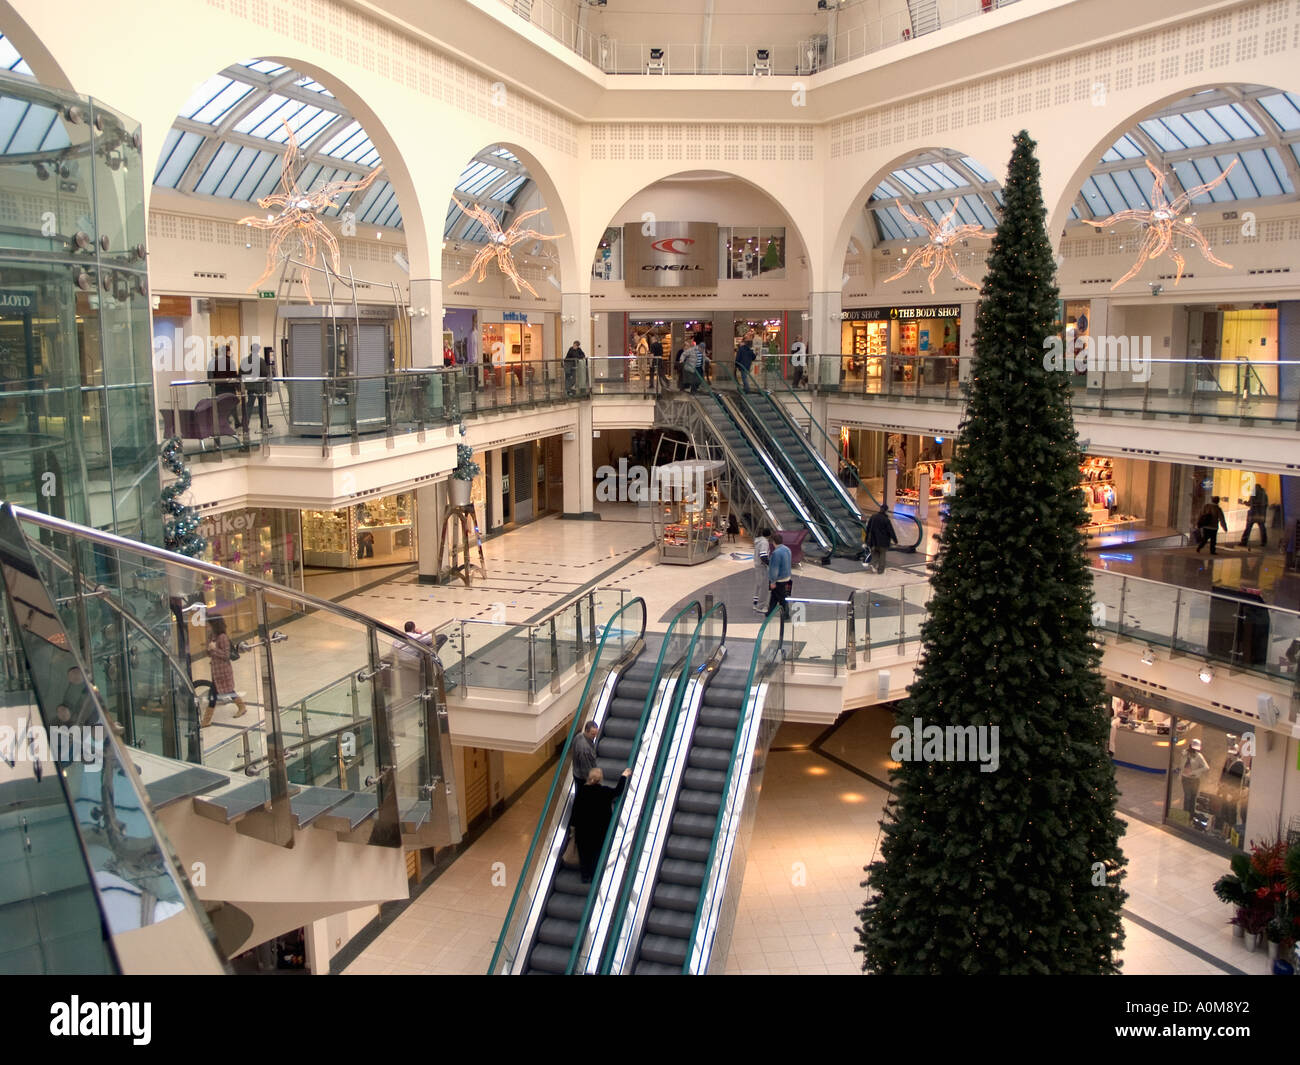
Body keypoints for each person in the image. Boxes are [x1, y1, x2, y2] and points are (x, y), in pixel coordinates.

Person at [572, 766, 632, 882]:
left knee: (584, 854)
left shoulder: (581, 791)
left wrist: (573, 826)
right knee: (595, 854)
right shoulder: (604, 791)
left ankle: (585, 876)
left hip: (582, 831)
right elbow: (617, 791)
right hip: (599, 832)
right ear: (600, 779)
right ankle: (594, 877)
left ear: (589, 778)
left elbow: (575, 810)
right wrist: (624, 776)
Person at [204, 616, 247, 726]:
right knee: (226, 690)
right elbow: (209, 654)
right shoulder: (211, 636)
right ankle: (241, 706)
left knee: (217, 692)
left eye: (209, 624)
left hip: (223, 670)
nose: (207, 626)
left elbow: (226, 655)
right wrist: (209, 649)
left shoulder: (222, 637)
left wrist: (214, 649)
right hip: (215, 670)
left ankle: (206, 720)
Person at [240, 343, 270, 431]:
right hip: (260, 386)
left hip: (249, 386)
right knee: (262, 406)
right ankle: (264, 423)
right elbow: (265, 373)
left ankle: (245, 424)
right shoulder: (260, 360)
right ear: (258, 350)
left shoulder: (245, 360)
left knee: (249, 406)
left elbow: (241, 372)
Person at [1180, 737, 1210, 814]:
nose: (1194, 750)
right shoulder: (1185, 753)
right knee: (1187, 797)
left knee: (1193, 798)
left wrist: (1195, 772)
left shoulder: (1198, 756)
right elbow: (1182, 763)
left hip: (1195, 780)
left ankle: (1191, 815)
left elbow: (1206, 767)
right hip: (1186, 778)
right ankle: (1185, 815)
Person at [767, 530, 792, 619]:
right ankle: (769, 612)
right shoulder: (787, 549)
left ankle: (786, 614)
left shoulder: (776, 553)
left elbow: (774, 569)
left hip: (779, 580)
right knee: (774, 596)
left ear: (773, 542)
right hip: (787, 577)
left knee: (782, 598)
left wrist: (773, 581)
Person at [865, 504, 898, 574]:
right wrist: (895, 540)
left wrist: (866, 539)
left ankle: (872, 564)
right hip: (883, 541)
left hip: (873, 540)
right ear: (886, 511)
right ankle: (880, 570)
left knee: (875, 553)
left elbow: (868, 529)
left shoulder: (873, 517)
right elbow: (890, 531)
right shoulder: (886, 520)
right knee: (882, 555)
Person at [1240, 483, 1268, 549]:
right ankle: (1264, 542)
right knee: (1262, 529)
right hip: (1261, 515)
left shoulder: (1253, 494)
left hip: (1253, 515)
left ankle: (1244, 541)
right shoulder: (1264, 495)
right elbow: (1266, 504)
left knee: (1248, 529)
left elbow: (1250, 503)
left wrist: (1244, 502)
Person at [752, 527, 771, 612]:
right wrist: (770, 564)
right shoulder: (764, 542)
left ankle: (755, 603)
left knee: (758, 585)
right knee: (763, 586)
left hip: (757, 565)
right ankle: (760, 606)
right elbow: (763, 555)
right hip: (762, 566)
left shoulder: (758, 541)